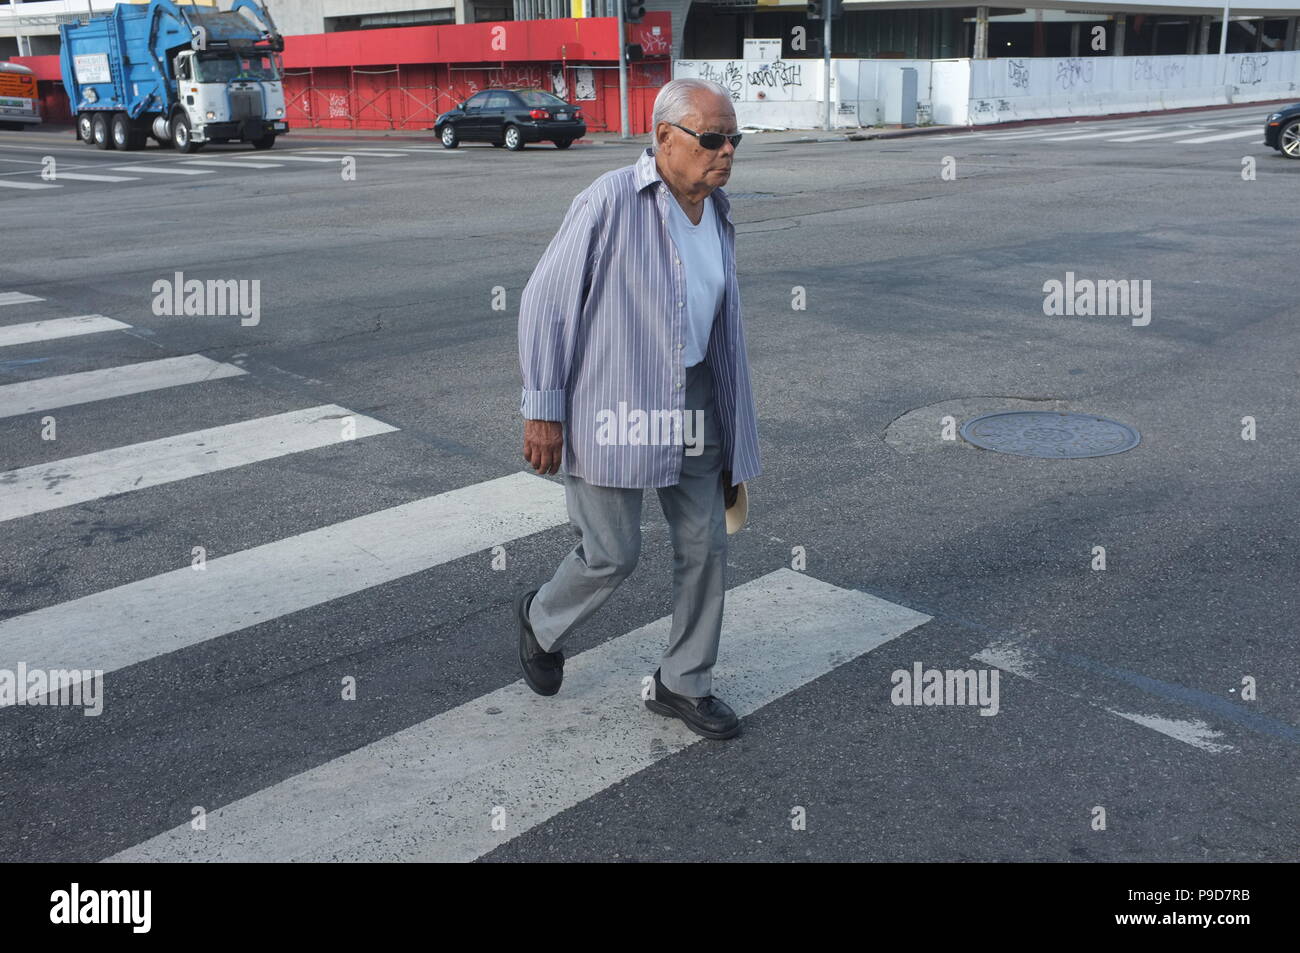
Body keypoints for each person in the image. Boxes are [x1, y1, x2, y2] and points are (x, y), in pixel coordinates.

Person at [515, 78, 760, 741]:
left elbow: (716, 323)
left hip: (696, 397)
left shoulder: (719, 211)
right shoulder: (609, 203)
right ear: (663, 139)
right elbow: (545, 302)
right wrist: (544, 410)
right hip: (611, 402)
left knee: (705, 542)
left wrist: (730, 429)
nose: (726, 151)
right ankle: (540, 621)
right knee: (611, 553)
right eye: (711, 138)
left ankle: (684, 682)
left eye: (734, 138)